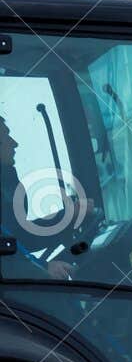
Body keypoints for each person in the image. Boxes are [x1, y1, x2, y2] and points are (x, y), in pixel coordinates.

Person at [0, 114, 78, 281]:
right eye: (6, 135)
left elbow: (17, 236)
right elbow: (6, 249)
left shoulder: (6, 179)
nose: (15, 143)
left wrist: (66, 217)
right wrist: (41, 268)